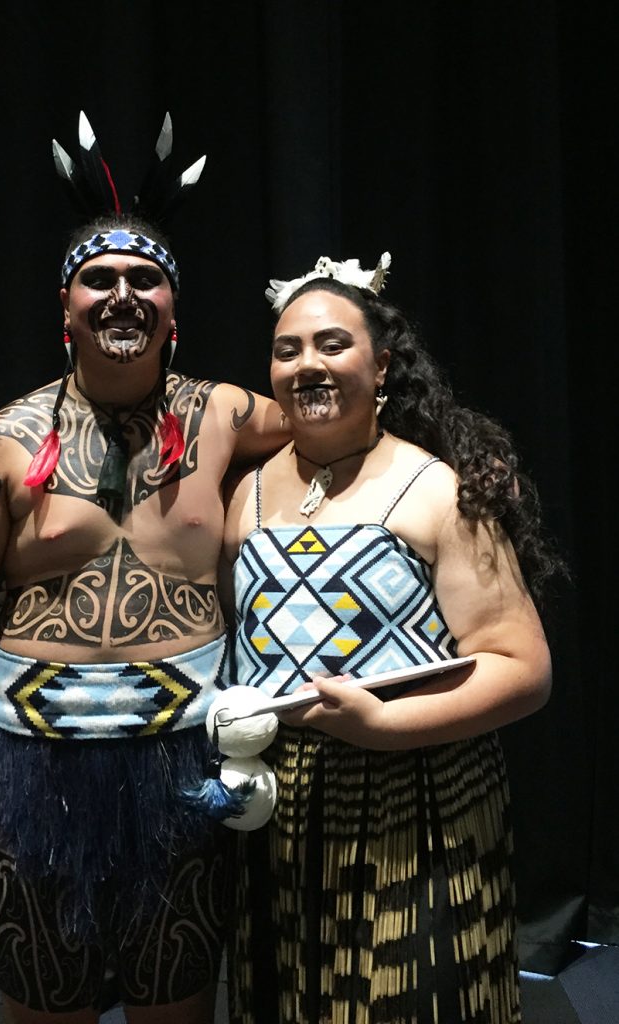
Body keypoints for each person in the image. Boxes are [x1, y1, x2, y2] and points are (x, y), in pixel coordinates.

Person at [0, 111, 289, 1024]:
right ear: (63, 308)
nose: (122, 295)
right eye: (98, 279)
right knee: (46, 1004)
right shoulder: (3, 445)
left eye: (144, 279)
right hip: (36, 774)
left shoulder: (224, 416)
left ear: (173, 310)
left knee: (176, 1003)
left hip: (181, 763)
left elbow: (336, 420)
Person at [220, 254, 565, 1024]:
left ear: (380, 366)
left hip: (419, 813)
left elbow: (522, 669)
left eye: (332, 345)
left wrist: (385, 728)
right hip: (281, 828)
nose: (308, 364)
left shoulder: (433, 489)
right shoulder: (242, 497)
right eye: (287, 350)